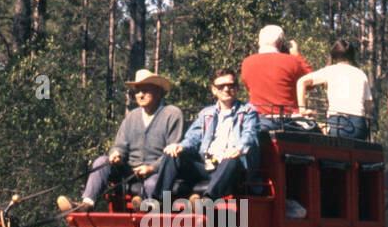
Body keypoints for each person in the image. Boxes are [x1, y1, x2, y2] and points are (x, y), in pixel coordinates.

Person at [57, 69, 183, 213]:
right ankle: (86, 204)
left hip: (157, 173)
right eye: (137, 91)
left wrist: (151, 168)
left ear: (159, 92)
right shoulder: (132, 117)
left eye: (145, 91)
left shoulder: (172, 114)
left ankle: (145, 205)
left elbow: (174, 154)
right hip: (130, 171)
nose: (140, 95)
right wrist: (116, 154)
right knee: (101, 162)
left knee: (152, 184)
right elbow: (120, 145)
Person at [149, 69, 261, 203]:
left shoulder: (248, 111)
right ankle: (159, 200)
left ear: (237, 87)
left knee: (231, 160)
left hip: (231, 168)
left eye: (230, 85)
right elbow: (193, 137)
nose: (226, 89)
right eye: (221, 86)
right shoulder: (206, 114)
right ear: (214, 90)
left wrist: (238, 149)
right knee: (172, 154)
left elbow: (249, 135)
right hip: (207, 166)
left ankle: (208, 200)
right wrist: (179, 146)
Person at [296, 37, 373, 139]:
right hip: (359, 127)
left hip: (337, 125)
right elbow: (368, 105)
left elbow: (301, 82)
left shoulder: (330, 70)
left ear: (334, 55)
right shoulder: (361, 74)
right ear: (352, 56)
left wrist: (302, 109)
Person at [239, 24, 312, 121]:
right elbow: (311, 83)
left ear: (259, 43)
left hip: (258, 119)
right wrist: (296, 55)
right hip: (287, 120)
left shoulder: (246, 63)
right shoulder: (291, 61)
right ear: (280, 44)